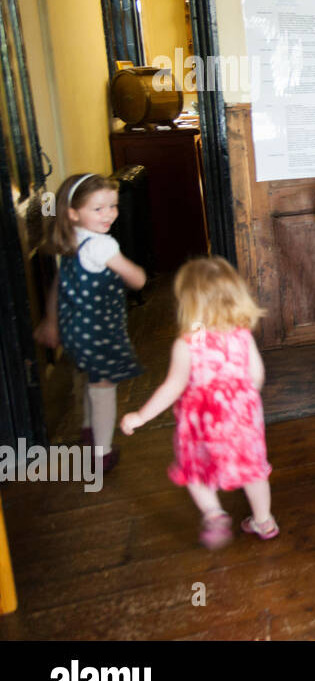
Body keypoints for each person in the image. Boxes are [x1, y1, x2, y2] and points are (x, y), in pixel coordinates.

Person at [121, 257, 276, 549]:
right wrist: (241, 401)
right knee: (253, 470)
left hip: (201, 423)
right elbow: (257, 376)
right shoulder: (242, 337)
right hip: (242, 421)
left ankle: (214, 514)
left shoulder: (187, 344)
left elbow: (172, 387)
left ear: (189, 303)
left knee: (196, 470)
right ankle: (264, 520)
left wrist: (141, 416)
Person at [35, 173, 146, 474]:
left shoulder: (73, 238)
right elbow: (136, 279)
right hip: (99, 332)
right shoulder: (102, 246)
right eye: (98, 208)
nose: (109, 213)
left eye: (112, 205)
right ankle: (102, 454)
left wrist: (50, 321)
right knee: (103, 389)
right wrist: (139, 273)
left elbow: (59, 284)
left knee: (88, 377)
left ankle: (87, 431)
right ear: (73, 212)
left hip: (75, 329)